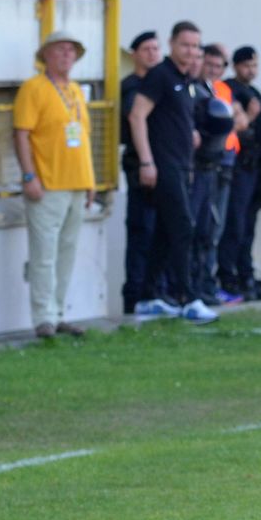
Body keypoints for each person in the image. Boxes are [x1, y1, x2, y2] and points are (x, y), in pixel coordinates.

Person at [128, 19, 220, 323]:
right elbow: (137, 116)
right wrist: (147, 162)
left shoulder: (187, 82)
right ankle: (188, 298)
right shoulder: (160, 76)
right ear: (172, 44)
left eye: (195, 46)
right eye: (185, 45)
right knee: (183, 227)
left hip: (182, 167)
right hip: (162, 167)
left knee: (166, 233)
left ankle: (148, 295)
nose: (191, 51)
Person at [12, 30, 96, 339]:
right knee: (44, 253)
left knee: (66, 252)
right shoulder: (33, 88)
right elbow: (21, 133)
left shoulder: (74, 90)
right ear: (46, 54)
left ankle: (58, 312)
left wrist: (90, 181)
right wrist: (29, 175)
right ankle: (43, 317)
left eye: (71, 51)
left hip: (75, 183)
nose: (66, 56)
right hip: (48, 183)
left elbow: (83, 138)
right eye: (60, 50)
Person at [220, 45, 261, 299]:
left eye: (254, 66)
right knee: (235, 225)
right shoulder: (230, 90)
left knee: (248, 225)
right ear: (235, 66)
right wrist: (251, 116)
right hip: (238, 167)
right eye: (246, 66)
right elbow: (236, 127)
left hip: (254, 167)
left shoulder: (254, 92)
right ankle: (229, 278)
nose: (251, 71)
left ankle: (246, 275)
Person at [192, 42, 241, 306]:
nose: (212, 69)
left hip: (226, 161)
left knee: (216, 228)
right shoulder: (197, 90)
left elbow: (240, 120)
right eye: (207, 63)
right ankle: (200, 287)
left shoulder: (221, 89)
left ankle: (208, 285)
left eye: (218, 65)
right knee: (204, 228)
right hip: (207, 164)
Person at [120, 30, 161, 315]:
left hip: (163, 166)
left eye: (156, 49)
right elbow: (136, 118)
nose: (152, 54)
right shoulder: (132, 86)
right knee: (142, 232)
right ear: (134, 53)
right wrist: (147, 161)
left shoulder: (161, 82)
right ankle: (134, 299)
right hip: (140, 166)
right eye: (146, 49)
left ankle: (156, 292)